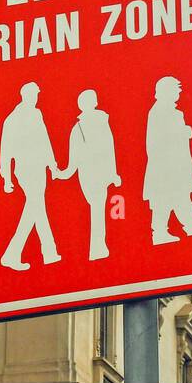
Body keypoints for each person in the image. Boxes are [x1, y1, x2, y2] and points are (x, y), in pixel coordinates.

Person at [143, 76, 192, 245]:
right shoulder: (160, 111)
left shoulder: (170, 111)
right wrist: (184, 132)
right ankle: (161, 232)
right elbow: (159, 139)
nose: (179, 93)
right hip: (166, 165)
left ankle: (190, 224)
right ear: (165, 91)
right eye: (176, 89)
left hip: (175, 162)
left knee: (178, 196)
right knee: (165, 199)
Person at [0, 82, 62, 270]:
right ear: (25, 95)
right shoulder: (12, 119)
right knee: (35, 206)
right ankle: (14, 253)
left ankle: (48, 252)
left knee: (36, 208)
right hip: (25, 170)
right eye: (34, 95)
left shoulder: (37, 114)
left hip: (39, 167)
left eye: (37, 95)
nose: (36, 98)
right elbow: (5, 151)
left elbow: (44, 140)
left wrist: (52, 165)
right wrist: (7, 178)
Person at [59, 89, 121, 260]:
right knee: (98, 210)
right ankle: (98, 248)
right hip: (98, 174)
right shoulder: (98, 123)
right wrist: (113, 174)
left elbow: (74, 162)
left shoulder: (79, 128)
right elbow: (109, 149)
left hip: (89, 176)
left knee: (97, 209)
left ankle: (97, 248)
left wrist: (62, 174)